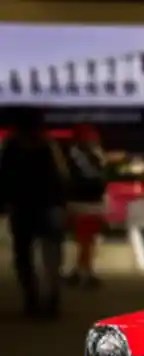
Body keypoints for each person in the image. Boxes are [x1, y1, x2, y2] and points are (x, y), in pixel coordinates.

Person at [0, 107, 69, 318]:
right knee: (51, 255)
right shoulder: (48, 145)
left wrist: (5, 202)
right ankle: (52, 298)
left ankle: (31, 298)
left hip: (21, 206)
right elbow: (62, 175)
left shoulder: (11, 145)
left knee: (23, 255)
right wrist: (62, 202)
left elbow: (4, 176)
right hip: (47, 205)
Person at [64, 124, 108, 287]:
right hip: (83, 202)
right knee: (86, 240)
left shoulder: (85, 154)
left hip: (88, 202)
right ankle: (85, 273)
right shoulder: (78, 155)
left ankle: (79, 271)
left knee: (86, 240)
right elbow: (94, 177)